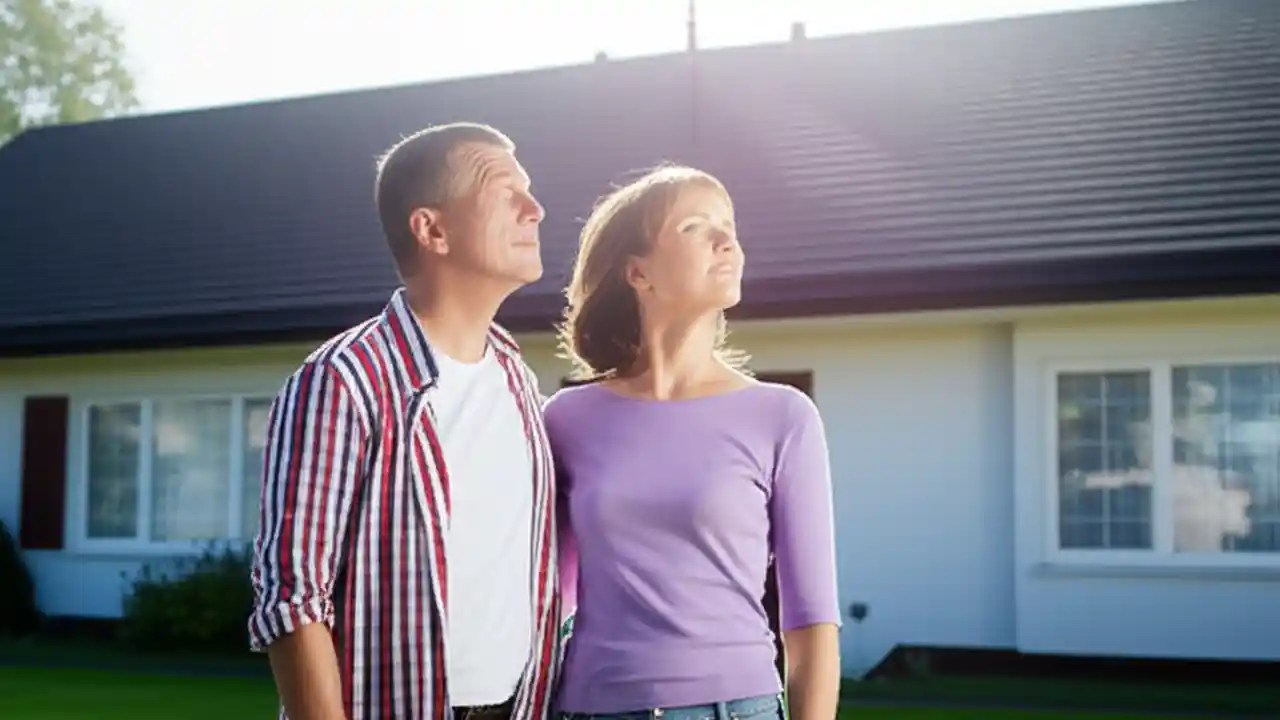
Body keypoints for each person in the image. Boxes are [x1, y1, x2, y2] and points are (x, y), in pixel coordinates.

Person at [248, 122, 561, 720]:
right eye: (506, 192)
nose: (536, 209)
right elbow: (292, 599)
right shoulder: (343, 379)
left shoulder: (519, 382)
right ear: (432, 229)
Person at [544, 166, 842, 720]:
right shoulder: (566, 419)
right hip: (592, 708)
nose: (726, 240)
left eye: (727, 226)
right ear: (638, 273)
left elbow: (812, 621)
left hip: (736, 708)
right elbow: (545, 599)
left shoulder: (782, 416)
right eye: (694, 227)